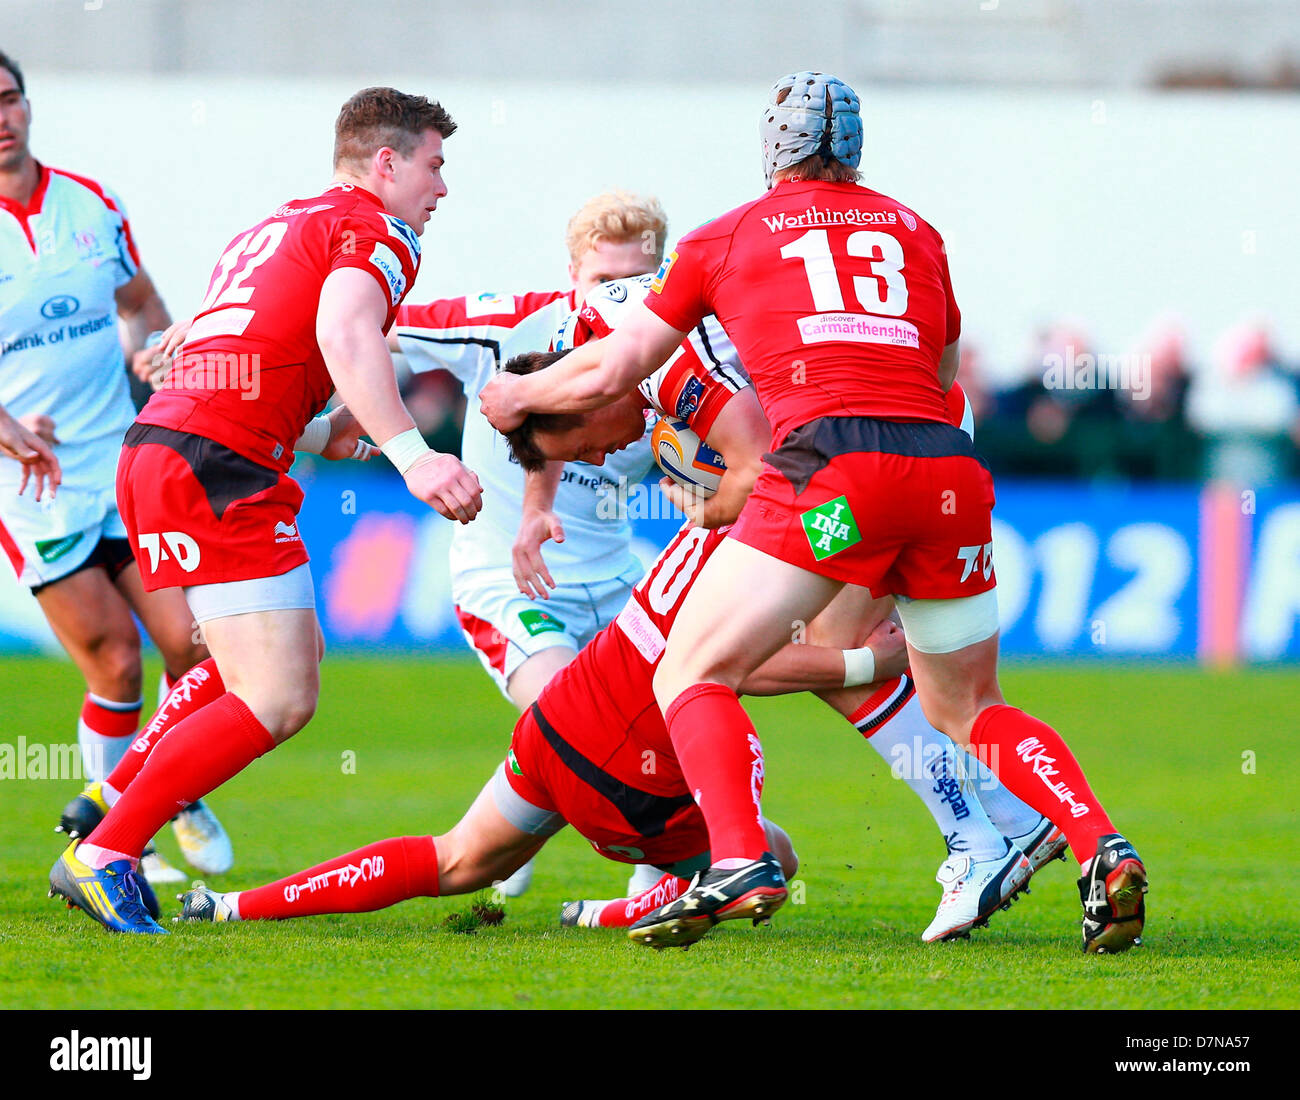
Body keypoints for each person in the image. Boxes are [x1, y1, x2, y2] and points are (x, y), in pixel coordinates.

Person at [480, 73, 1147, 954]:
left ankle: (738, 860)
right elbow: (944, 375)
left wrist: (515, 388)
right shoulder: (916, 229)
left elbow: (613, 368)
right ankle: (1099, 841)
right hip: (946, 473)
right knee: (972, 703)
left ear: (771, 150)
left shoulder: (721, 238)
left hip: (834, 475)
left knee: (692, 669)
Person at [48, 85, 483, 934]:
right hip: (219, 464)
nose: (442, 188)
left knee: (273, 664)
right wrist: (414, 456)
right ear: (386, 163)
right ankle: (107, 852)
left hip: (168, 449)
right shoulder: (377, 229)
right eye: (434, 165)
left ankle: (117, 789)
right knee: (280, 696)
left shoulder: (279, 223)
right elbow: (346, 334)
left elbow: (235, 352)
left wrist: (322, 431)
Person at [506, 299, 1065, 942]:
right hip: (881, 439)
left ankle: (987, 835)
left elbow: (760, 459)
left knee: (823, 649)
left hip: (875, 453)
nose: (597, 460)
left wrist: (718, 504)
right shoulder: (622, 345)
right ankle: (1008, 822)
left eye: (579, 446)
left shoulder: (665, 365)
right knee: (826, 650)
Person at [173, 519, 887, 933]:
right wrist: (862, 661)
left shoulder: (711, 510)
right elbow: (736, 669)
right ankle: (638, 906)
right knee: (775, 856)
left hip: (558, 723)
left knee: (456, 860)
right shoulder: (788, 523)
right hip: (627, 784)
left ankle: (229, 907)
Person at [390, 192, 679, 899]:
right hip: (507, 579)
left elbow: (703, 471)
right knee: (575, 718)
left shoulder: (671, 357)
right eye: (603, 284)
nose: (621, 301)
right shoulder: (502, 326)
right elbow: (361, 329)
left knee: (672, 721)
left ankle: (652, 878)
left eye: (638, 283)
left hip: (616, 580)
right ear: (570, 273)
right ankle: (507, 829)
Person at [0, 50, 227, 881]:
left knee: (192, 648)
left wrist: (157, 354)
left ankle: (167, 786)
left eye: (11, 99)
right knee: (118, 662)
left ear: (28, 105)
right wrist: (10, 429)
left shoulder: (93, 204)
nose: (3, 118)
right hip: (34, 489)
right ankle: (115, 840)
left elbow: (140, 304)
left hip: (123, 466)